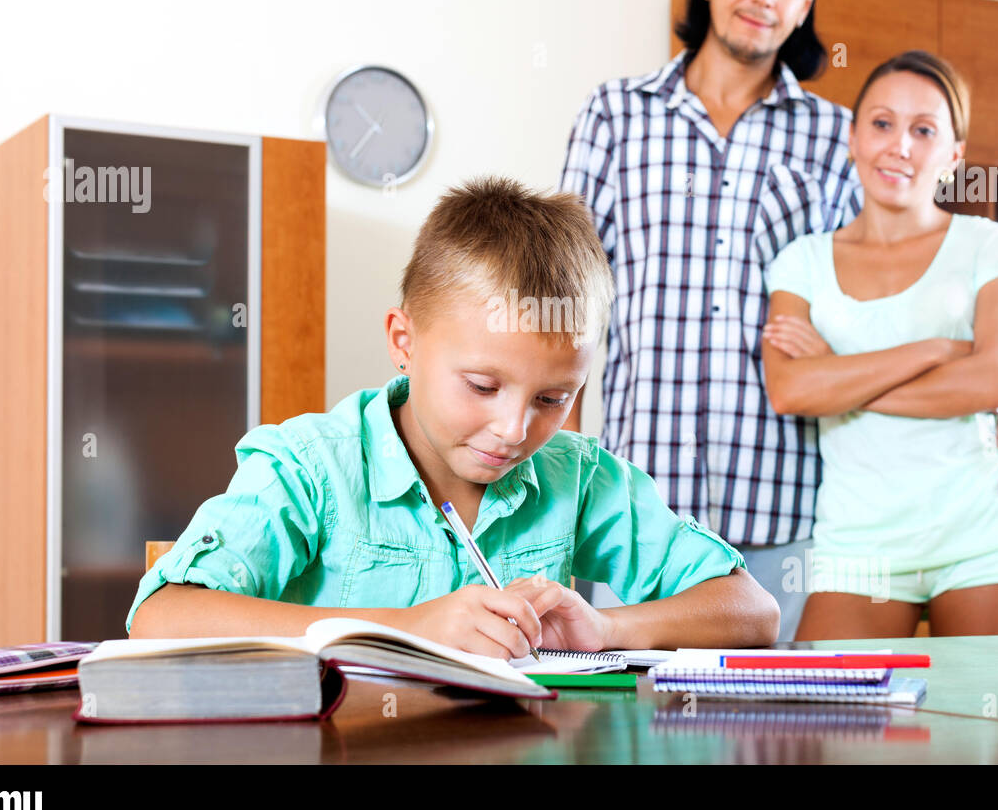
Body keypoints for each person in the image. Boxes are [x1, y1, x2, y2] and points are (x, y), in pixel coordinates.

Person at [559, 0, 998, 640]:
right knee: (625, 733)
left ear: (807, 3)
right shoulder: (614, 114)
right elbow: (569, 304)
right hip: (640, 497)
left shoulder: (832, 135)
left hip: (784, 500)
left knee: (786, 736)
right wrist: (551, 471)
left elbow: (886, 279)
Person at [126, 176, 779, 654]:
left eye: (554, 398)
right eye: (482, 384)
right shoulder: (311, 466)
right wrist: (409, 627)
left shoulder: (577, 476)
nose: (514, 429)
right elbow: (159, 616)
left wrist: (609, 628)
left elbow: (753, 610)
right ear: (404, 342)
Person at [762, 50, 998, 638]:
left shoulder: (991, 248)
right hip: (858, 542)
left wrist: (836, 377)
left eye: (924, 131)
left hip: (986, 532)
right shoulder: (803, 261)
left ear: (953, 155)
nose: (900, 146)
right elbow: (790, 390)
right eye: (882, 123)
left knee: (983, 725)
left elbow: (995, 380)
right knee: (837, 721)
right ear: (852, 137)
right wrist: (936, 352)